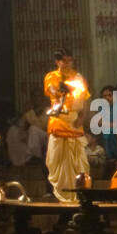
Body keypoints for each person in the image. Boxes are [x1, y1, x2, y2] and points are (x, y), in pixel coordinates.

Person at [42, 48, 91, 203]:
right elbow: (52, 90)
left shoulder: (78, 77)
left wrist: (81, 117)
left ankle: (80, 194)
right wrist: (62, 89)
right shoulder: (51, 76)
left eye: (70, 60)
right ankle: (62, 195)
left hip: (75, 121)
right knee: (55, 159)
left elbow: (83, 101)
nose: (67, 63)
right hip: (59, 119)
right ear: (58, 61)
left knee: (80, 160)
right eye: (64, 61)